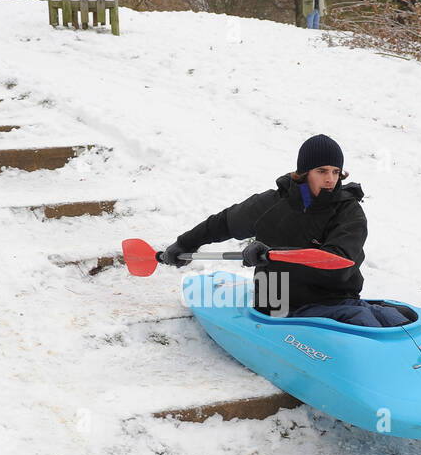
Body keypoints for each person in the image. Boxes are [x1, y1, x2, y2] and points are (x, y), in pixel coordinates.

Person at [158, 135, 408, 327]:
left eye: (335, 172)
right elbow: (224, 222)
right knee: (362, 319)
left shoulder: (348, 211)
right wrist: (185, 244)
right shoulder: (272, 204)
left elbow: (339, 263)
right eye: (322, 171)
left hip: (332, 299)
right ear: (304, 172)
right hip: (275, 301)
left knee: (395, 319)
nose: (330, 179)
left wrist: (273, 253)